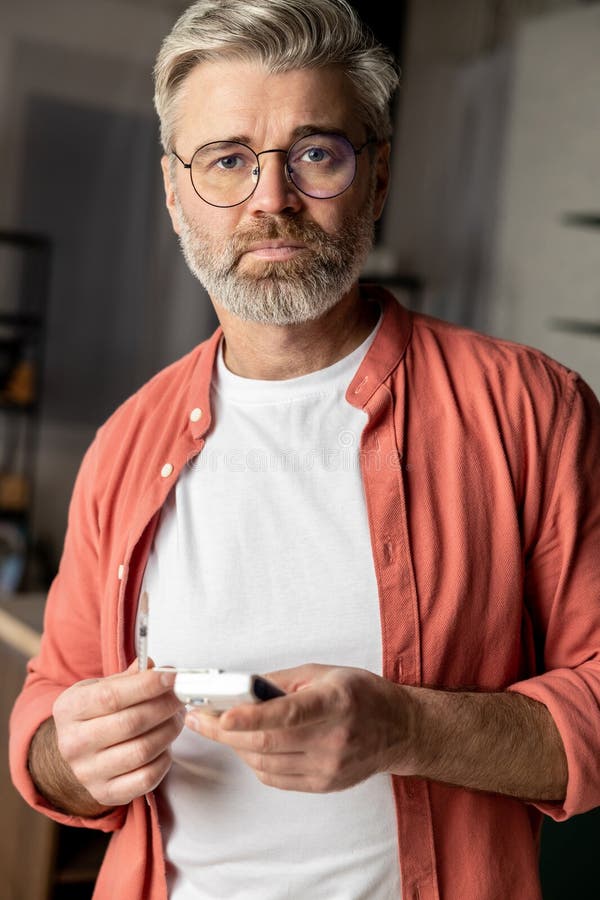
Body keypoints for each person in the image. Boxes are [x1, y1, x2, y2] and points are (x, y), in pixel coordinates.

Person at [8, 1, 600, 898]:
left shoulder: (530, 410)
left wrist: (406, 730)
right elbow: (48, 719)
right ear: (175, 190)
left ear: (379, 175)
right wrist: (70, 752)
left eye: (316, 153)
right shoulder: (124, 444)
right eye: (228, 160)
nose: (271, 200)